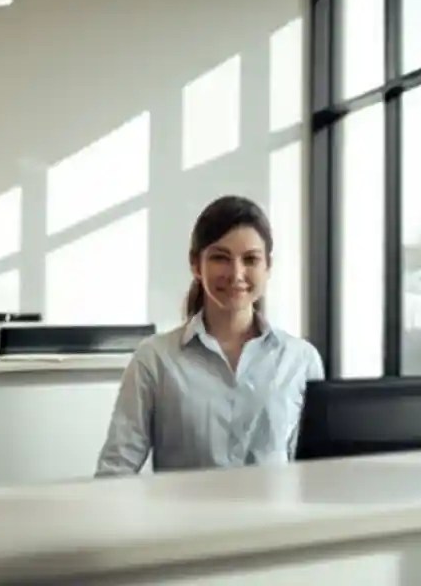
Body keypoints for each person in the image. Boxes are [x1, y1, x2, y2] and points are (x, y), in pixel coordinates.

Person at [95, 195, 324, 476]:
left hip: (277, 519)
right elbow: (116, 470)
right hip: (186, 520)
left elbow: (315, 472)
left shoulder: (301, 360)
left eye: (250, 259)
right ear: (196, 265)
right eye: (220, 258)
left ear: (268, 267)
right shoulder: (155, 359)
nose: (236, 273)